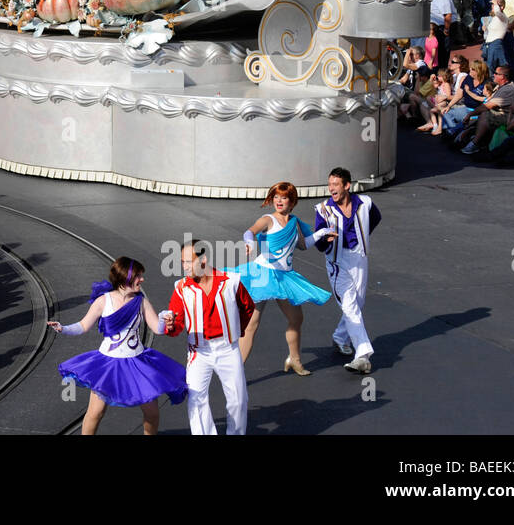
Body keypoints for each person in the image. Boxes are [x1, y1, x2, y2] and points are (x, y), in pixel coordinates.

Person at [49, 256, 187, 435]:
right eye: (138, 276)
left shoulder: (141, 301)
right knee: (95, 413)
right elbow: (83, 326)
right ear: (125, 277)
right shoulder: (103, 301)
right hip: (108, 364)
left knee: (152, 413)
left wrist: (164, 319)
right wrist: (62, 328)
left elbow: (157, 329)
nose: (142, 279)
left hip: (137, 363)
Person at [228, 182, 333, 374]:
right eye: (276, 197)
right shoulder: (268, 219)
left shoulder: (295, 222)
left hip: (284, 278)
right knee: (251, 324)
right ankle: (235, 372)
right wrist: (250, 242)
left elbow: (303, 244)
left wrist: (322, 233)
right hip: (262, 276)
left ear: (291, 202)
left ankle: (294, 359)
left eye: (283, 197)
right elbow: (249, 231)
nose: (279, 201)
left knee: (296, 318)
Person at [160, 240, 255, 435]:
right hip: (199, 353)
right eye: (182, 262)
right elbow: (176, 323)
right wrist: (170, 326)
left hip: (228, 349)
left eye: (188, 261)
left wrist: (236, 331)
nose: (184, 267)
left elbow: (247, 308)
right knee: (196, 400)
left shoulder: (231, 281)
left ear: (203, 260)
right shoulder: (181, 288)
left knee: (238, 399)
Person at [314, 168, 381, 374]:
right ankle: (362, 354)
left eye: (336, 184)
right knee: (350, 305)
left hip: (359, 257)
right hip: (336, 261)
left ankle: (340, 337)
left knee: (358, 302)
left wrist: (362, 238)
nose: (331, 188)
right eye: (330, 184)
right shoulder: (323, 209)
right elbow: (318, 241)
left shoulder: (365, 203)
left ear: (347, 186)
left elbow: (376, 218)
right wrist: (326, 240)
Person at [459, 65, 514, 155]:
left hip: (507, 117)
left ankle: (474, 144)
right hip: (498, 114)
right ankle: (463, 137)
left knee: (484, 114)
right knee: (476, 118)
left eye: (496, 73)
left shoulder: (508, 89)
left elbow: (487, 106)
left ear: (503, 76)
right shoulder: (499, 87)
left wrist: (470, 114)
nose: (494, 75)